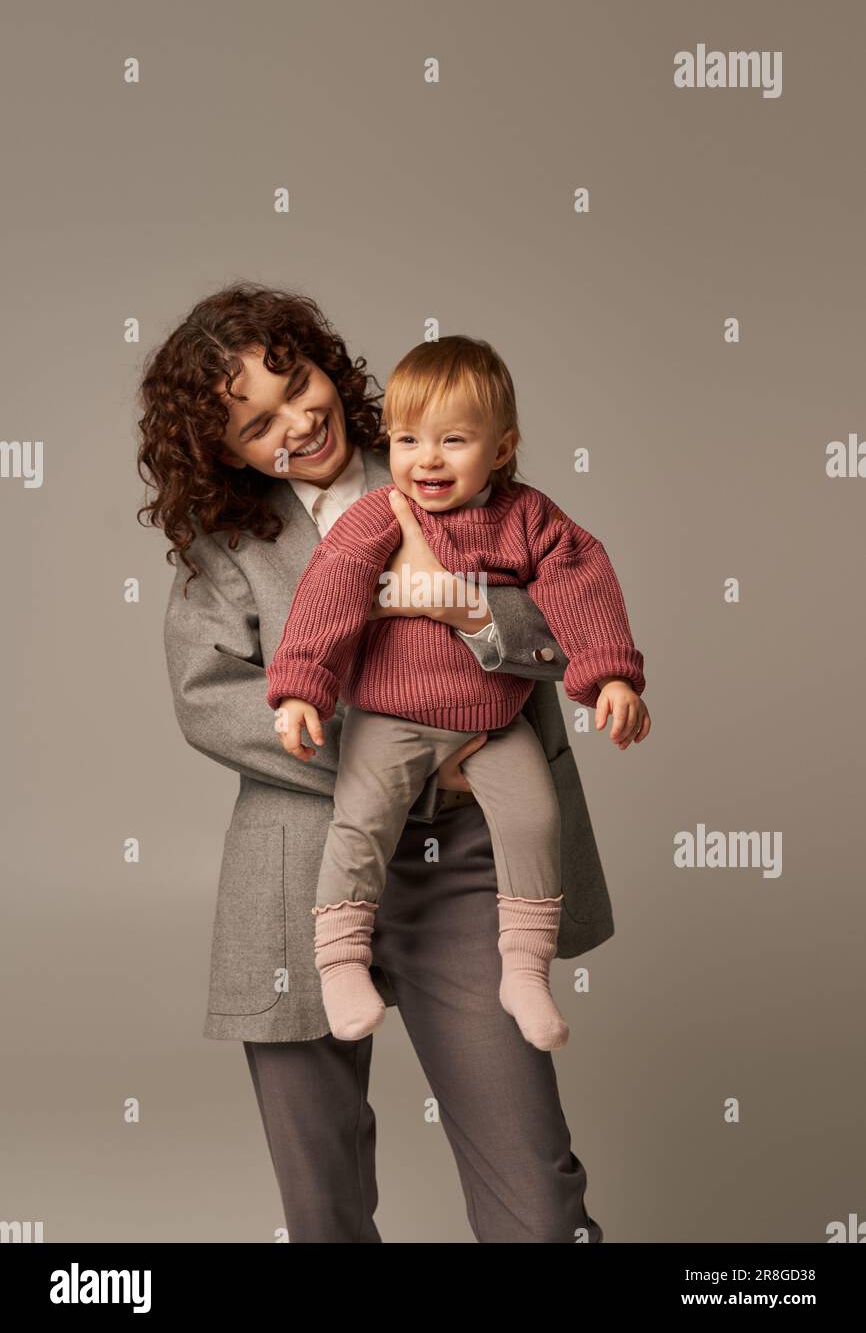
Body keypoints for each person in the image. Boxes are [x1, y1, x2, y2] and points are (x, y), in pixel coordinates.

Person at [137, 280, 635, 1242]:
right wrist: (391, 766)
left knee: (538, 1201)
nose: (295, 423)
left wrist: (467, 607)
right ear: (223, 452)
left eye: (299, 385)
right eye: (255, 425)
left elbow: (566, 620)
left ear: (328, 362)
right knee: (320, 1207)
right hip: (301, 875)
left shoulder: (449, 460)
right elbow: (208, 700)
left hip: (470, 864)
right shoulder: (224, 549)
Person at [266, 335, 649, 1052]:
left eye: (454, 440)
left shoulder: (527, 517)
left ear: (501, 450)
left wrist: (612, 674)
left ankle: (525, 968)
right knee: (361, 822)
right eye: (408, 439)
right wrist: (302, 691)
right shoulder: (377, 515)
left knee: (536, 819)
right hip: (391, 716)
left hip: (491, 723)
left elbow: (579, 582)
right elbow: (329, 594)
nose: (427, 459)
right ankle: (342, 960)